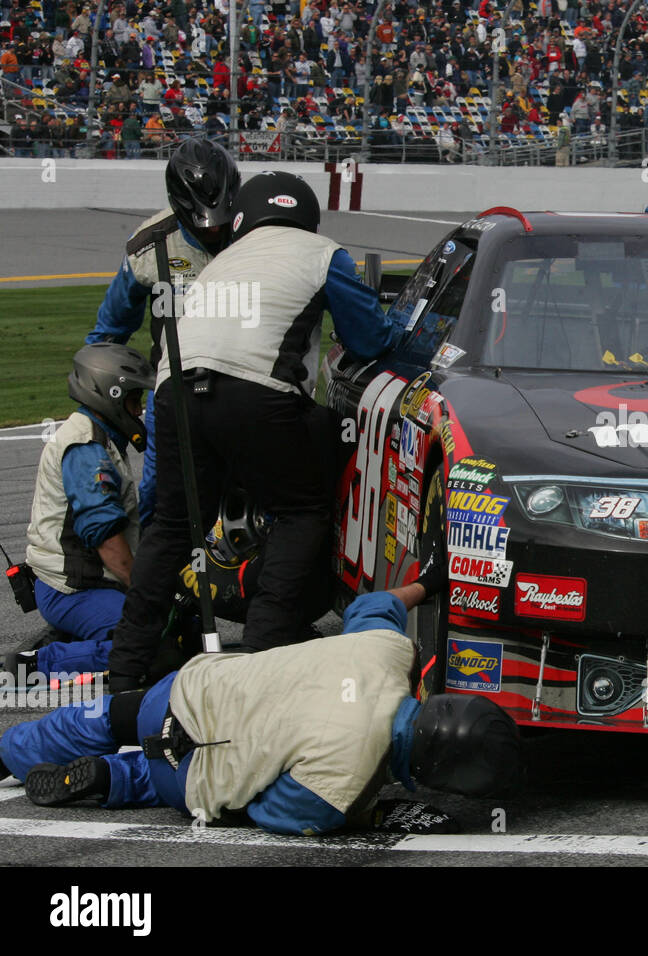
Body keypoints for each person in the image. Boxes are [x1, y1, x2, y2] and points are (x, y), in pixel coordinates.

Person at [106, 171, 405, 693]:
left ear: (243, 219)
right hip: (255, 392)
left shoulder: (221, 262)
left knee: (174, 529)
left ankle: (124, 671)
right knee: (301, 511)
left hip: (173, 389)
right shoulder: (322, 252)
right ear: (307, 217)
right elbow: (370, 339)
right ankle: (261, 661)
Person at [0, 573, 523, 836]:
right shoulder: (345, 782)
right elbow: (276, 813)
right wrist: (366, 811)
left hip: (187, 691)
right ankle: (109, 779)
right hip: (193, 774)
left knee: (102, 717)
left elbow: (372, 606)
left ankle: (10, 750)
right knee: (149, 779)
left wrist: (427, 584)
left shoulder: (386, 651)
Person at [86, 138, 241, 526]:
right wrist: (94, 402)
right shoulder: (147, 246)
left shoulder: (258, 232)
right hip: (174, 390)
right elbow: (110, 331)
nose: (215, 231)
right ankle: (156, 576)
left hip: (245, 385)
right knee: (158, 492)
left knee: (255, 485)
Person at [10, 345, 151, 679]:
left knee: (175, 624)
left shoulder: (98, 436)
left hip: (82, 582)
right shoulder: (86, 449)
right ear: (109, 396)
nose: (139, 409)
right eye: (133, 400)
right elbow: (106, 537)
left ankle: (75, 637)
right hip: (74, 588)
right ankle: (26, 666)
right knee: (147, 641)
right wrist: (145, 594)